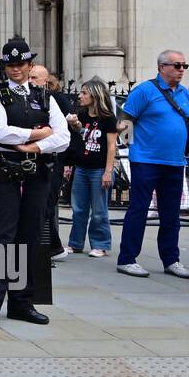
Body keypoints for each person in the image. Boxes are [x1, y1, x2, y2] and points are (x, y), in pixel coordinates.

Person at [0, 38, 70, 331]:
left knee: (29, 240)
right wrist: (39, 133)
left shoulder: (45, 97)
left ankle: (21, 303)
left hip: (36, 170)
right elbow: (0, 132)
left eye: (20, 64)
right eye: (10, 65)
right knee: (1, 240)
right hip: (4, 172)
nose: (15, 69)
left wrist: (35, 147)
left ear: (29, 65)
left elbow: (64, 136)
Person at [116, 49, 189, 279]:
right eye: (176, 65)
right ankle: (127, 259)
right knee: (139, 209)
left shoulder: (184, 93)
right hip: (146, 160)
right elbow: (125, 120)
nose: (181, 70)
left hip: (174, 162)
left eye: (184, 66)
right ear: (162, 67)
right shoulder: (144, 91)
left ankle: (171, 259)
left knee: (171, 213)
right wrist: (132, 149)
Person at [67, 78, 118, 258]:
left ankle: (100, 244)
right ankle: (76, 243)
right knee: (78, 208)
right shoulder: (82, 115)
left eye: (84, 93)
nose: (80, 96)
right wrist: (76, 126)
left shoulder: (108, 118)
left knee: (98, 210)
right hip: (81, 167)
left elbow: (112, 146)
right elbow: (83, 135)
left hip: (98, 168)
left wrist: (108, 171)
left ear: (95, 96)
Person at [31, 64, 74, 261]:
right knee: (38, 204)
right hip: (33, 158)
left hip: (52, 159)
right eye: (29, 78)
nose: (30, 82)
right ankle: (49, 245)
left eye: (34, 78)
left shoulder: (54, 100)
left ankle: (50, 246)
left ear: (45, 82)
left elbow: (64, 133)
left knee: (47, 202)